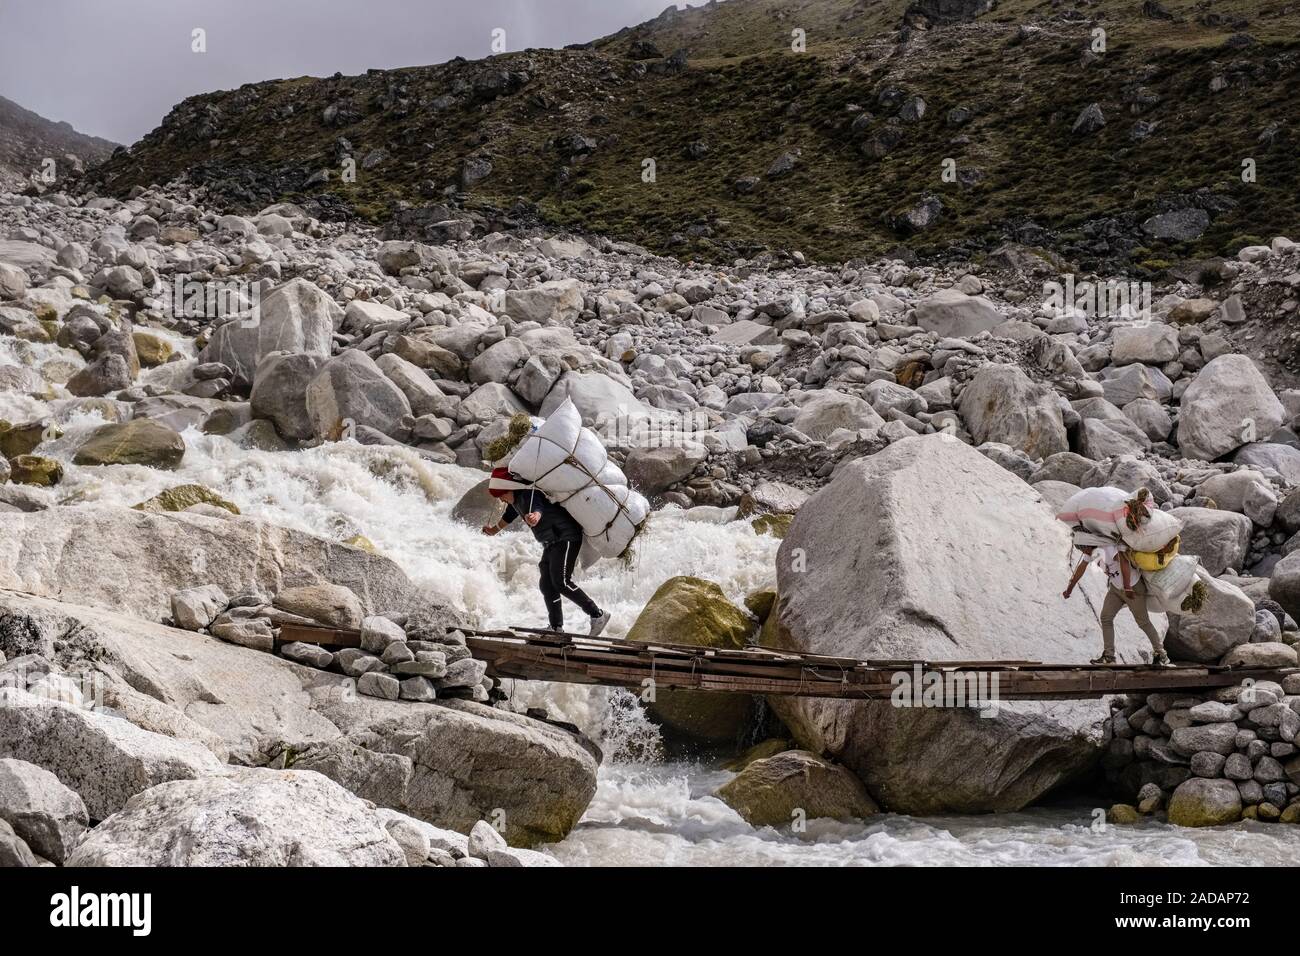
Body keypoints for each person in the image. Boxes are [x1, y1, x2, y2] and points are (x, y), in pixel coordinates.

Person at [482, 467, 611, 637]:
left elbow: (538, 507)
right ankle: (556, 628)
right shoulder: (515, 502)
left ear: (509, 489)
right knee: (547, 584)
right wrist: (493, 530)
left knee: (561, 582)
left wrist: (535, 516)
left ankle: (598, 615)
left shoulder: (528, 494)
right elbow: (508, 517)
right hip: (551, 542)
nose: (502, 500)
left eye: (501, 495)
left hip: (566, 537)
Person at [1063, 544, 1170, 667]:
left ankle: (1161, 654)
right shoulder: (1091, 552)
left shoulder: (1106, 547)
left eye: (1082, 548)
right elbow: (1080, 569)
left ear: (1088, 544)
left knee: (1143, 622)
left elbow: (1123, 561)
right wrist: (1069, 589)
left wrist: (1127, 587)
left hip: (1133, 586)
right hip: (1116, 589)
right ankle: (1109, 656)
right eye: (1080, 549)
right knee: (1106, 617)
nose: (1082, 551)